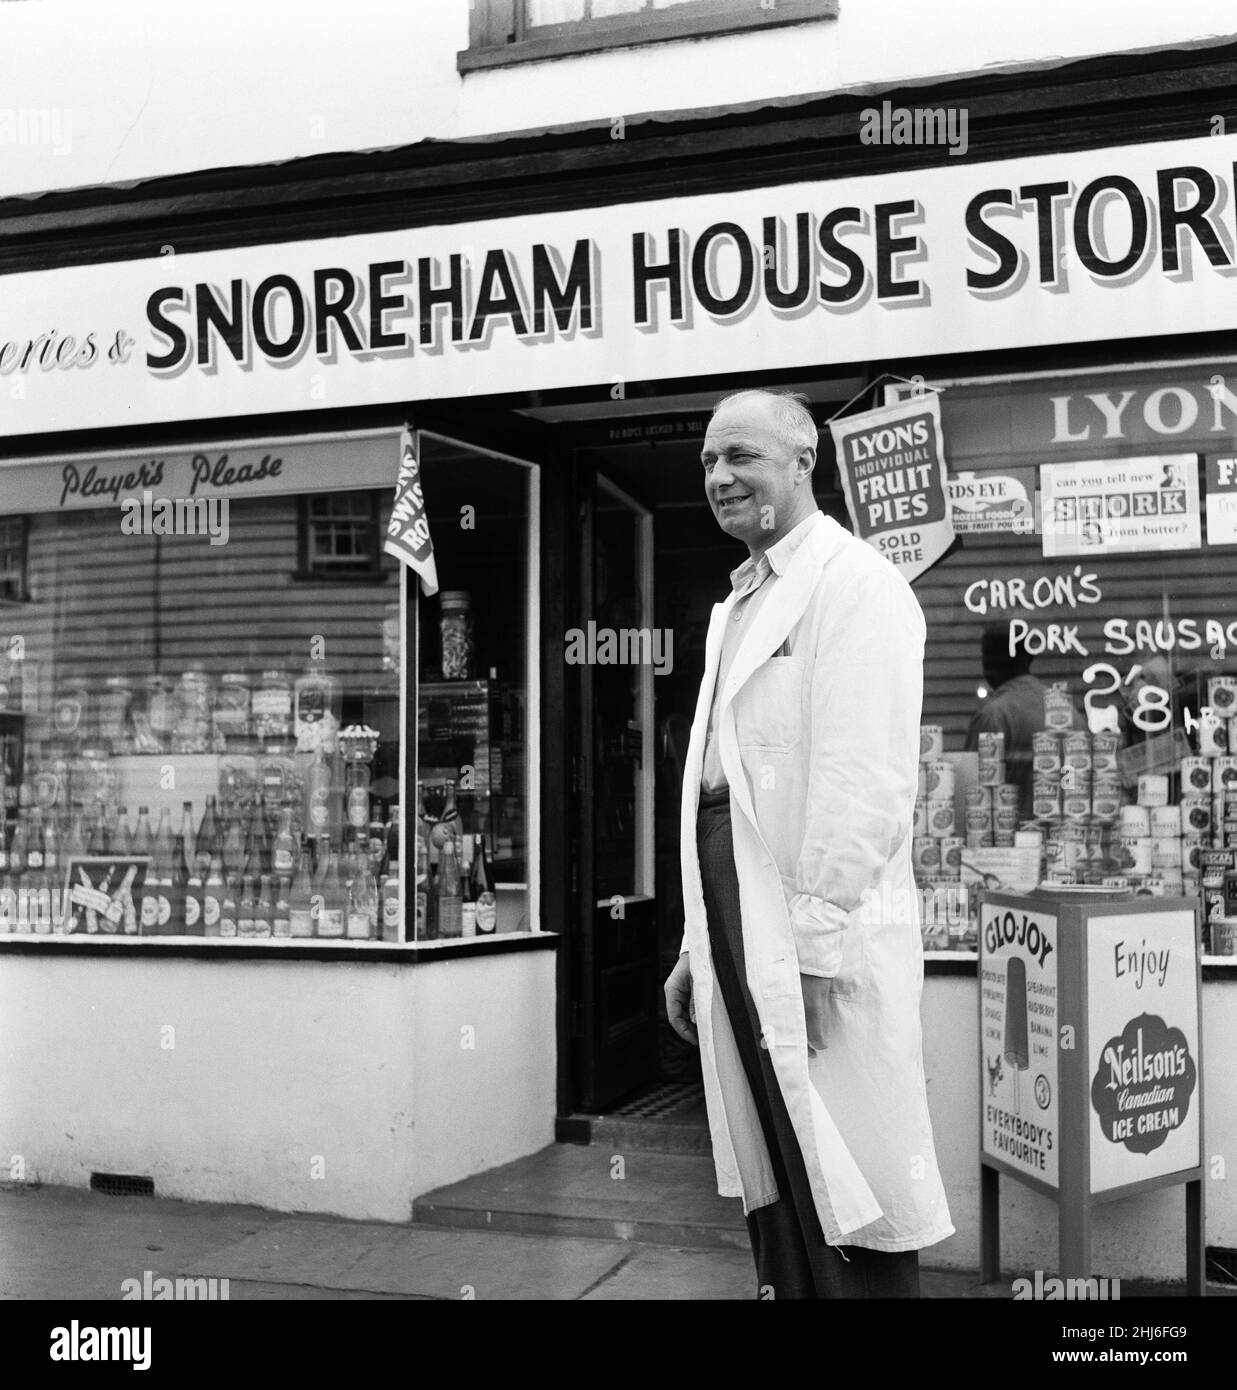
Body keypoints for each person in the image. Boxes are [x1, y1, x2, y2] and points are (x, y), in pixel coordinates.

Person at [663, 388, 953, 1300]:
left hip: (805, 924)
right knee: (779, 1173)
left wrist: (819, 945)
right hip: (736, 906)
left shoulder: (854, 582)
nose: (720, 477)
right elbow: (720, 786)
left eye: (741, 456)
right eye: (709, 462)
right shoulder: (738, 600)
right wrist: (692, 947)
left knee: (845, 1173)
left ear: (803, 462)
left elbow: (864, 783)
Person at [963, 623, 1048, 818]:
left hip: (1009, 841)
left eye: (992, 656)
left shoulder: (994, 715)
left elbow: (970, 791)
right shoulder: (1063, 709)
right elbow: (1074, 779)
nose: (988, 665)